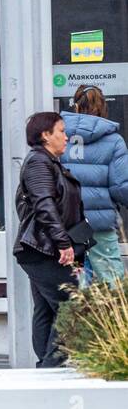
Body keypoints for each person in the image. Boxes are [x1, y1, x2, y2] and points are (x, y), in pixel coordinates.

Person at [15, 112, 88, 368]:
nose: (66, 137)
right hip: (43, 250)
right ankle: (51, 368)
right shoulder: (38, 162)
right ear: (45, 135)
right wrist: (63, 243)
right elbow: (44, 204)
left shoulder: (50, 162)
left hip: (43, 249)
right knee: (73, 308)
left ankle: (45, 371)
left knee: (47, 309)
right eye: (60, 131)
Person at [60, 85, 128, 285]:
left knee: (78, 283)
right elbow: (121, 186)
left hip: (69, 221)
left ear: (76, 106)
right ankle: (113, 317)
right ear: (102, 106)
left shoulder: (59, 136)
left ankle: (80, 316)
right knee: (113, 283)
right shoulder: (114, 140)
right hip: (99, 221)